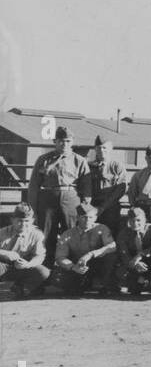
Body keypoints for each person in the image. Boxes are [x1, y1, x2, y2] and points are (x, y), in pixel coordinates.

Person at [27, 125, 91, 257]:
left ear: (72, 142)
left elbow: (86, 188)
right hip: (48, 197)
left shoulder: (79, 161)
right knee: (47, 233)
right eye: (61, 141)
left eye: (68, 141)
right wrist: (32, 208)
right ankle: (47, 268)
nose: (64, 144)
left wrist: (85, 207)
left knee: (72, 233)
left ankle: (71, 268)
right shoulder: (43, 159)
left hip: (71, 198)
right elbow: (33, 186)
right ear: (54, 141)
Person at [51, 203, 117, 294]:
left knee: (111, 257)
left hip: (97, 263)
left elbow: (112, 246)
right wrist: (73, 267)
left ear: (95, 218)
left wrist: (91, 254)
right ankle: (84, 284)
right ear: (77, 218)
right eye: (84, 217)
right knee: (63, 283)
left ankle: (105, 284)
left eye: (90, 217)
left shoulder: (102, 228)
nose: (87, 221)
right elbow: (60, 257)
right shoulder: (67, 234)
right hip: (78, 265)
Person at [0, 204, 52, 297]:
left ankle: (20, 286)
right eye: (19, 221)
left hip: (23, 266)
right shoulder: (3, 232)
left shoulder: (37, 235)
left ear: (32, 221)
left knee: (44, 272)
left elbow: (39, 256)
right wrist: (5, 253)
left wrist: (27, 264)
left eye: (27, 221)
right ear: (12, 220)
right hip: (4, 266)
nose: (23, 224)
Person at [113, 207, 151, 295]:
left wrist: (142, 254)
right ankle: (140, 281)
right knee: (123, 276)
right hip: (134, 262)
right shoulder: (123, 233)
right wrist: (135, 263)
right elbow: (123, 253)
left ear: (145, 219)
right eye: (132, 221)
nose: (135, 223)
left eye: (138, 220)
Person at [87, 135, 129, 234]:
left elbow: (121, 189)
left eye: (104, 147)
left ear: (111, 149)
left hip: (110, 207)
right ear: (95, 149)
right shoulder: (88, 166)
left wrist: (103, 207)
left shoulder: (117, 166)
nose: (101, 150)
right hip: (92, 207)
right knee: (92, 234)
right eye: (99, 148)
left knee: (110, 235)